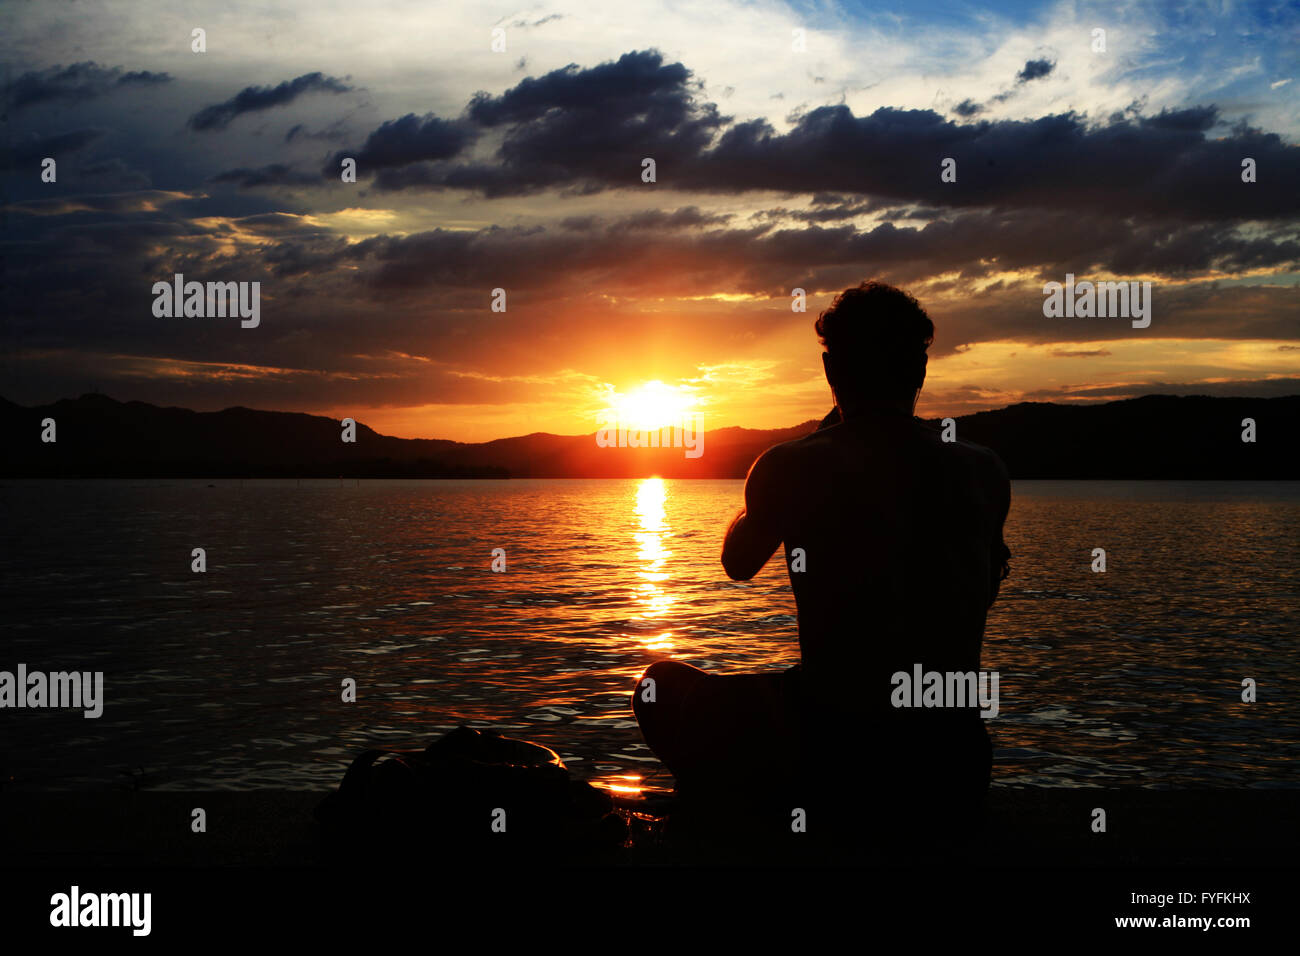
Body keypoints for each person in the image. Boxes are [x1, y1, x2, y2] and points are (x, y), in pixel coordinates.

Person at [631, 281, 1011, 838]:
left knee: (659, 685)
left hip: (836, 750)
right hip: (955, 762)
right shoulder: (983, 469)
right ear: (920, 370)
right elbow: (984, 587)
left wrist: (785, 481)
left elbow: (737, 563)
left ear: (832, 370)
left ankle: (740, 809)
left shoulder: (791, 464)